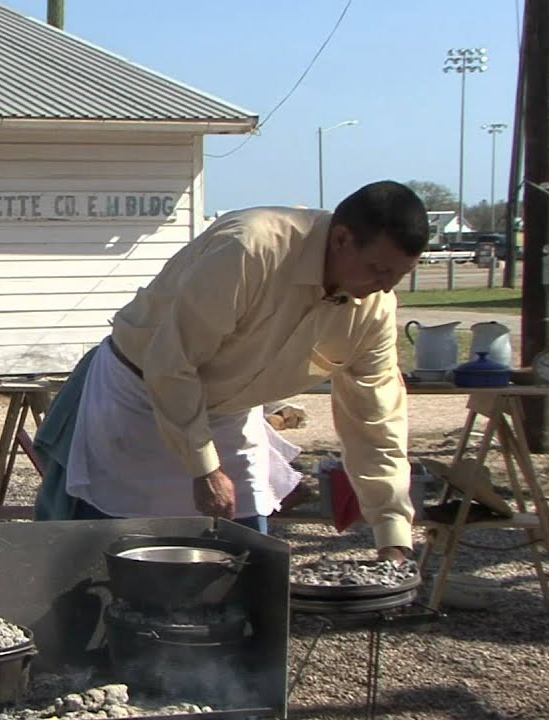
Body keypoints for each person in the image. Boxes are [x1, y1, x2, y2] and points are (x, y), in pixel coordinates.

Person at [33, 180, 429, 563]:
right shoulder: (250, 249)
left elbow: (376, 419)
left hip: (230, 415)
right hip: (138, 400)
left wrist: (393, 533)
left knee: (244, 555)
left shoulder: (375, 309)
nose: (385, 287)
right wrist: (205, 468)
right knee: (112, 553)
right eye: (378, 270)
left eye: (398, 276)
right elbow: (171, 365)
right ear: (341, 239)